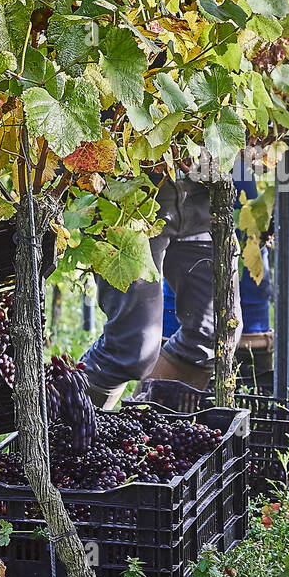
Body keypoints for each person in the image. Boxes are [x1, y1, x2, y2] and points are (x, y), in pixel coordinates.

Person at [80, 168, 243, 408]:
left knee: (214, 332)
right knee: (133, 349)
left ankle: (146, 433)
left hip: (202, 192)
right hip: (129, 197)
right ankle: (66, 432)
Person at [161, 157, 273, 388]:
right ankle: (158, 400)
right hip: (185, 150)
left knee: (244, 235)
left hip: (216, 152)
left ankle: (248, 383)